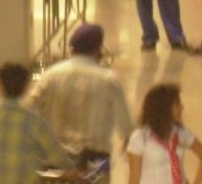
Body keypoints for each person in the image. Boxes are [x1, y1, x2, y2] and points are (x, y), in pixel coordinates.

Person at [29, 24, 133, 160]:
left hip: (54, 153)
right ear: (98, 49)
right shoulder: (108, 79)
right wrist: (128, 142)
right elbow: (124, 123)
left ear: (72, 48)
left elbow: (31, 111)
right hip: (94, 155)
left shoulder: (50, 75)